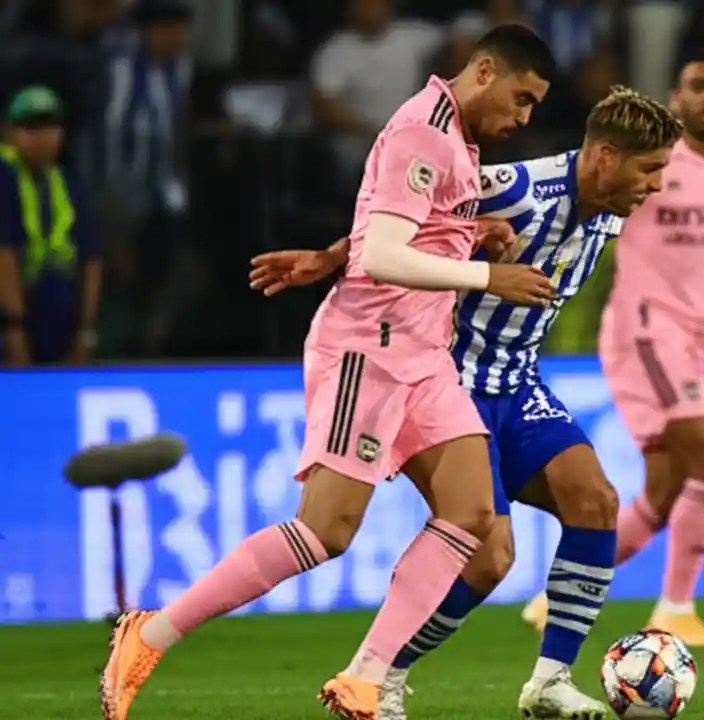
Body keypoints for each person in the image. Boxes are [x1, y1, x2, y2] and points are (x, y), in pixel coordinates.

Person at [98, 25, 558, 720]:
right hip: (366, 352)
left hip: (424, 354)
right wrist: (488, 272)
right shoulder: (422, 133)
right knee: (326, 532)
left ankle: (365, 679)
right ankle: (150, 632)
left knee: (474, 514)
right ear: (486, 70)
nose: (523, 119)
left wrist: (455, 234)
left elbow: (394, 226)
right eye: (522, 100)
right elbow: (385, 255)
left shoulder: (457, 140)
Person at [248, 84, 684, 720]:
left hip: (518, 381)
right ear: (605, 157)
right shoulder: (517, 187)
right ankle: (381, 675)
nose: (656, 186)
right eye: (650, 170)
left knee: (596, 502)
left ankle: (550, 682)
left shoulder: (612, 211)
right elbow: (410, 214)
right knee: (489, 560)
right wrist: (331, 257)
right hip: (450, 381)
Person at [522, 49, 704, 649]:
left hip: (689, 338)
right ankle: (675, 609)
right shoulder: (654, 164)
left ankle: (555, 597)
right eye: (697, 85)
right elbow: (592, 203)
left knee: (664, 489)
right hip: (644, 329)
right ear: (676, 99)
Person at [0, 85, 102, 366]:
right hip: (13, 323)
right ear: (8, 133)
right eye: (30, 127)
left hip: (60, 325)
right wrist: (14, 327)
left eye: (49, 127)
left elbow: (90, 260)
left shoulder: (68, 184)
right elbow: (4, 254)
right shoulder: (4, 176)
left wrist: (86, 331)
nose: (41, 137)